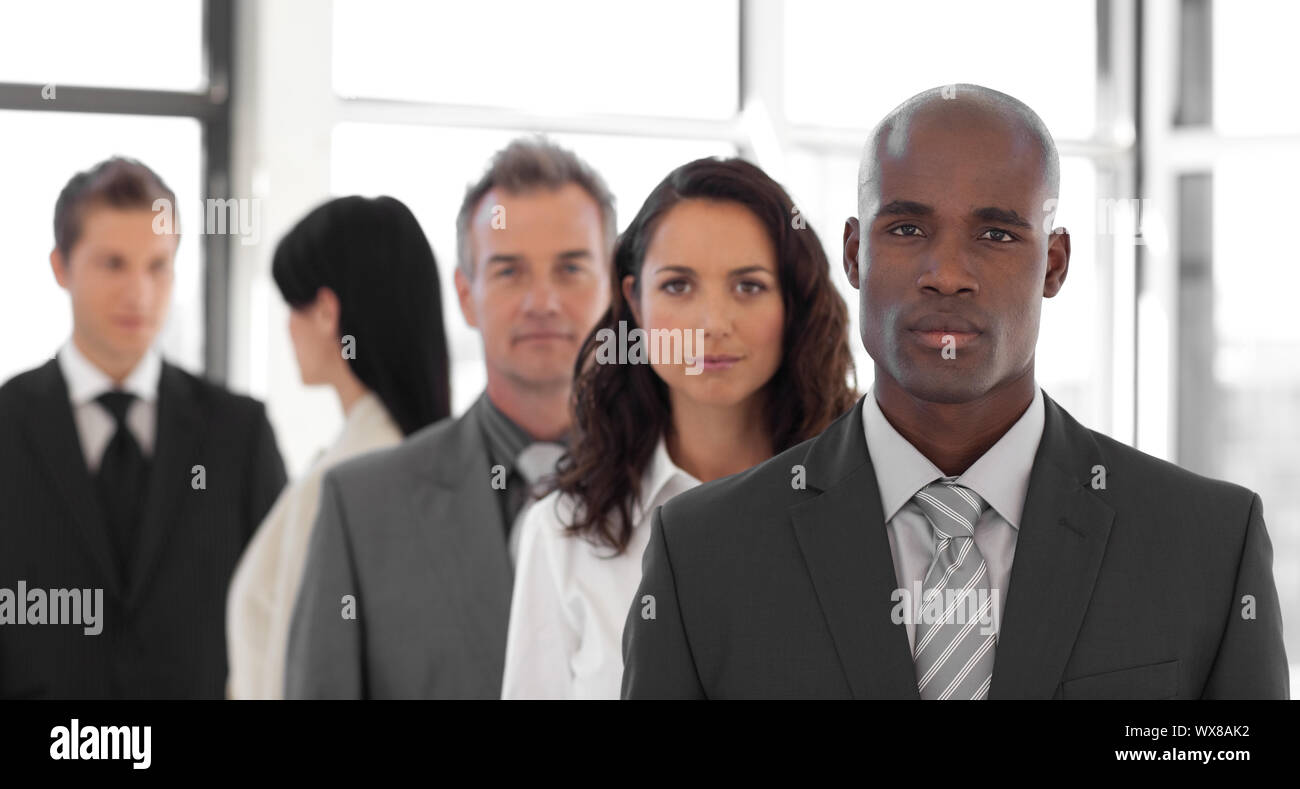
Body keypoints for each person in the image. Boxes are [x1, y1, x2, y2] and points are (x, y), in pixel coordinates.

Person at [621, 84, 1289, 700]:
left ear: (1053, 263)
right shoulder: (703, 553)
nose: (946, 274)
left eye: (996, 233)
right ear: (855, 254)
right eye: (907, 229)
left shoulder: (1207, 547)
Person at [502, 157, 857, 699]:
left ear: (794, 303)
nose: (713, 323)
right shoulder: (562, 533)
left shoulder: (867, 502)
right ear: (634, 303)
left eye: (748, 286)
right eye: (678, 286)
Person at [284, 137, 613, 698]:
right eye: (509, 271)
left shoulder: (679, 496)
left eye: (570, 268)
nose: (542, 301)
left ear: (614, 290)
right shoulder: (362, 508)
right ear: (465, 295)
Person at [0, 156, 287, 698]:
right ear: (61, 267)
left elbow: (279, 613)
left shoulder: (239, 434)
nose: (140, 292)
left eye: (158, 266)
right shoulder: (7, 426)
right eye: (113, 264)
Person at [225, 195, 452, 699]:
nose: (288, 328)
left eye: (293, 306)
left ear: (327, 311)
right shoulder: (393, 462)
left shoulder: (355, 481)